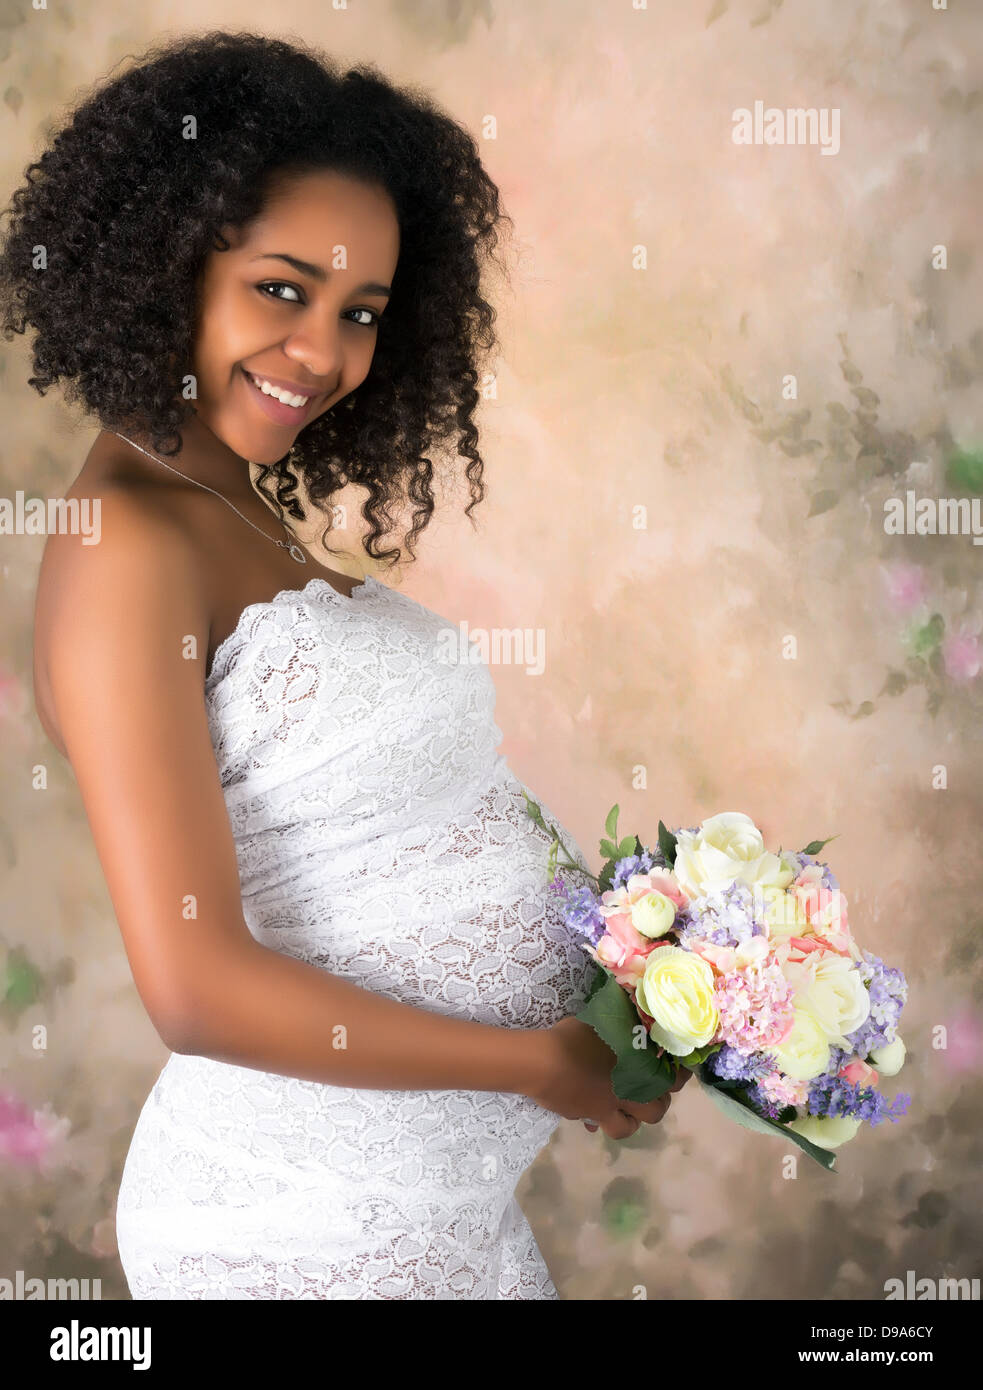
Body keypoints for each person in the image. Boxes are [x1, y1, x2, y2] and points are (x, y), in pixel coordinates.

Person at [2, 31, 689, 1300]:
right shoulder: (125, 546)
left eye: (360, 311)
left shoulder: (231, 504)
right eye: (280, 289)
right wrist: (539, 1062)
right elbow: (196, 986)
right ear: (169, 265)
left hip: (440, 1211)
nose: (320, 352)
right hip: (295, 1226)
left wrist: (678, 969)